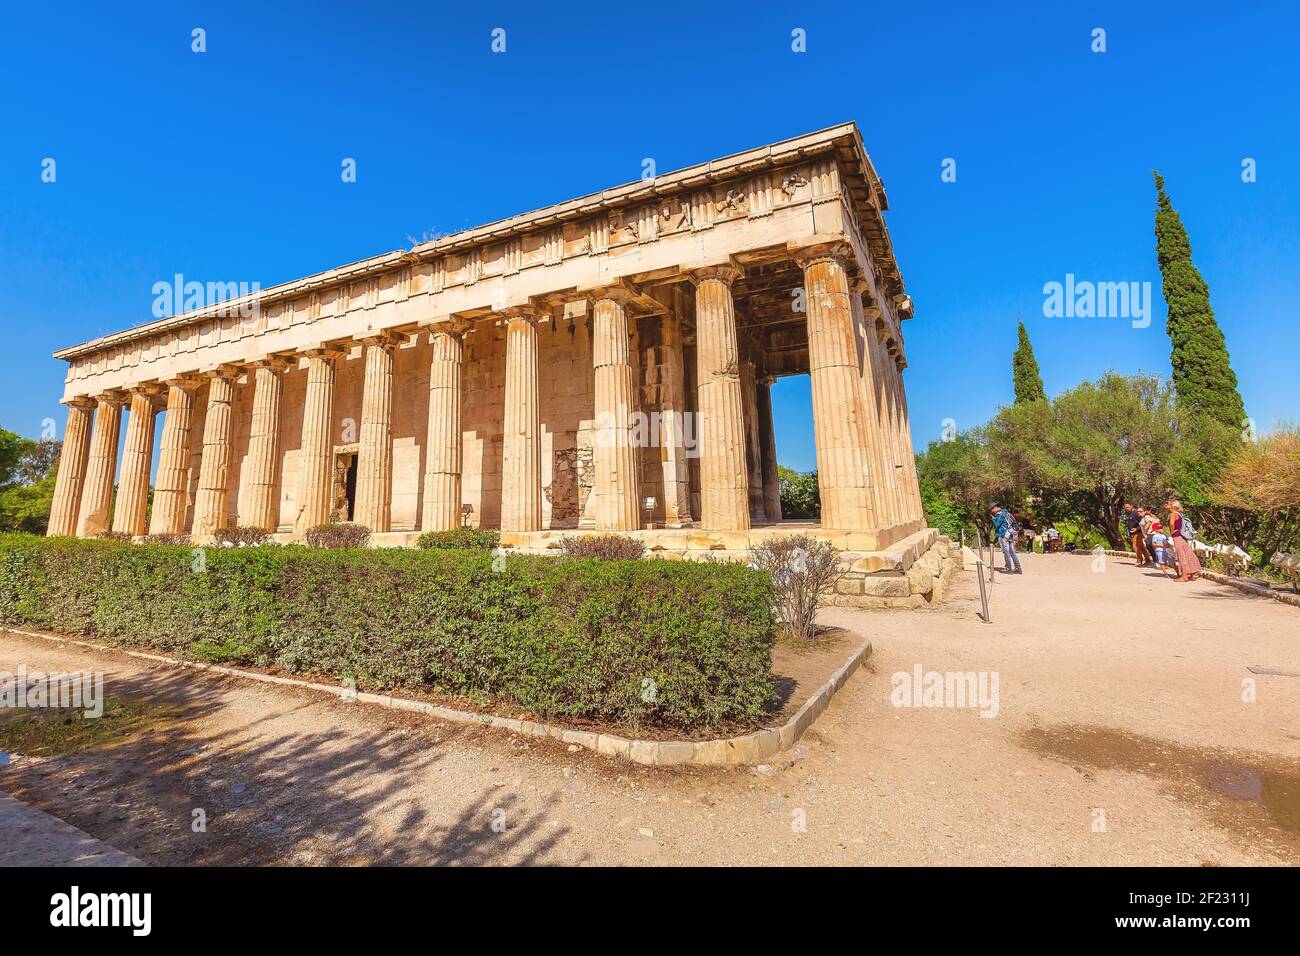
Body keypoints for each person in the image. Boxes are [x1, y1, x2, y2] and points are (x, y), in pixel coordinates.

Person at [1166, 499, 1202, 582]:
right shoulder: (1180, 514)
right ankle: (1191, 573)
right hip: (1182, 536)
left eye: (1167, 504)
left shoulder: (1172, 514)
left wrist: (1172, 531)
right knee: (1187, 554)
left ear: (1173, 506)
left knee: (1181, 556)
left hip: (1177, 537)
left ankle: (1184, 576)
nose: (1166, 505)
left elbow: (1171, 524)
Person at [990, 505, 1022, 574]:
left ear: (995, 508)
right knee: (1012, 552)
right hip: (1010, 534)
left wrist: (993, 519)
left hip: (1003, 534)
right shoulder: (1008, 513)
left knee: (1006, 552)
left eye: (991, 509)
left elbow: (997, 525)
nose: (991, 511)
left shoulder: (1000, 515)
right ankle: (1018, 568)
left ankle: (1008, 568)